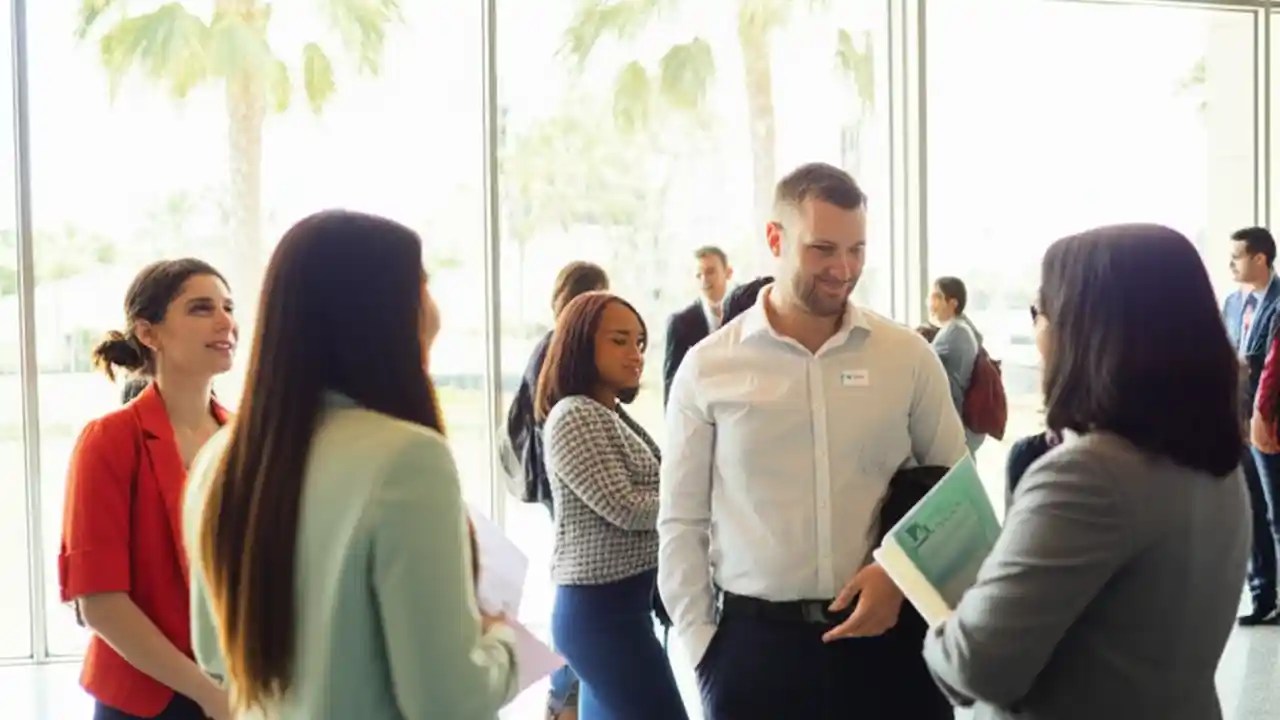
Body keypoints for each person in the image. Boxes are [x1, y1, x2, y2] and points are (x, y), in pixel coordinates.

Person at [659, 162, 966, 719]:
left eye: (857, 249)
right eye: (823, 249)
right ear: (775, 239)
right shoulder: (709, 368)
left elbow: (958, 491)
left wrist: (899, 572)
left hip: (891, 643)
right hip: (757, 652)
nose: (843, 269)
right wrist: (704, 650)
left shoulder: (906, 357)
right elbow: (681, 522)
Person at [183, 210, 517, 718]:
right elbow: (449, 702)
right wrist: (505, 642)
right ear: (382, 311)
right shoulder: (407, 459)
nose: (434, 311)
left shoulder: (217, 462)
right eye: (421, 286)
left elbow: (215, 656)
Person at [924, 224, 1250, 719]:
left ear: (1082, 329)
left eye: (1039, 312)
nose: (1037, 331)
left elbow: (978, 665)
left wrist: (942, 622)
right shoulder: (1213, 456)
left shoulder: (1087, 476)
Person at [58, 259, 236, 720]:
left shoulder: (248, 438)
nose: (225, 321)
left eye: (228, 307)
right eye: (201, 308)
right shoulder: (109, 441)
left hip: (240, 687)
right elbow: (100, 603)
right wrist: (207, 693)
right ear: (149, 333)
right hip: (146, 699)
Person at [537, 291, 688, 720]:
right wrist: (697, 505)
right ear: (582, 342)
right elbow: (623, 507)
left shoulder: (609, 413)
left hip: (622, 609)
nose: (635, 354)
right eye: (619, 341)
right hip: (599, 614)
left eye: (640, 342)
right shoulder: (575, 415)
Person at [501, 259, 608, 720]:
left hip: (559, 492)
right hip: (569, 493)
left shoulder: (551, 347)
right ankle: (561, 698)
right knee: (578, 595)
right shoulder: (561, 353)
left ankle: (566, 698)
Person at [1222, 225, 1280, 625]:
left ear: (1260, 258)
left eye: (1237, 257)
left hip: (1271, 425)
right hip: (1239, 423)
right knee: (1251, 513)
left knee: (1278, 513)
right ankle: (1263, 597)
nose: (1230, 264)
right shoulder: (1231, 303)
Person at [663, 246, 733, 403]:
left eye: (710, 272)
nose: (704, 280)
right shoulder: (680, 323)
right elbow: (671, 385)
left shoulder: (745, 314)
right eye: (698, 275)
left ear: (728, 272)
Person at [927, 276, 985, 453]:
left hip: (955, 424)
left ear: (952, 303)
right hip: (960, 425)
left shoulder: (955, 332)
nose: (930, 304)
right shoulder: (964, 329)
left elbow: (923, 366)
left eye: (937, 297)